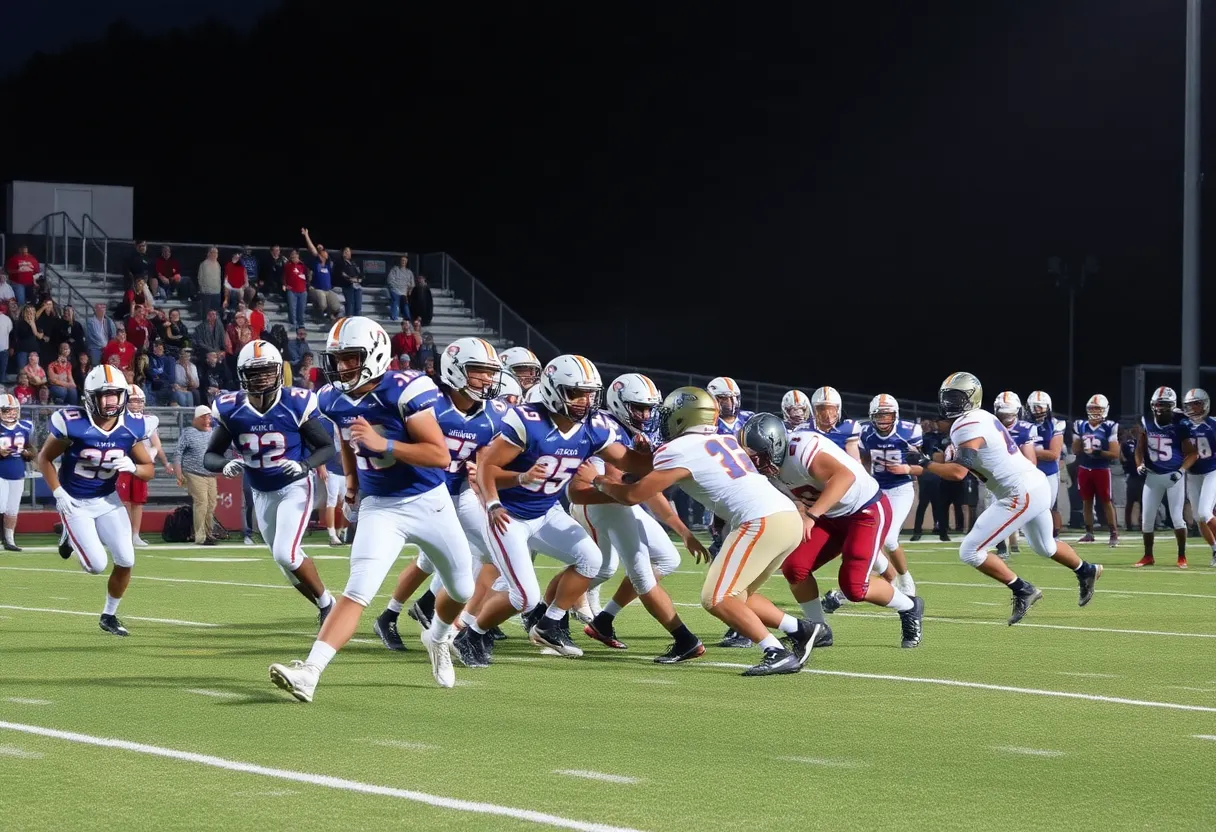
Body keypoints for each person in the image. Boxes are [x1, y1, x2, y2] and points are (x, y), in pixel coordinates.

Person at [268, 317, 475, 699]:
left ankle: (438, 638)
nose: (342, 366)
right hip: (381, 506)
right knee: (357, 590)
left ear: (376, 354)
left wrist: (387, 446)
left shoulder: (406, 389)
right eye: (338, 358)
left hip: (428, 501)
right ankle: (310, 672)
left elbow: (438, 453)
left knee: (462, 586)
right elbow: (348, 438)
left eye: (351, 357)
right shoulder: (332, 397)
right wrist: (351, 484)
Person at [583, 387, 808, 676]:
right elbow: (650, 468)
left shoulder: (677, 449)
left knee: (716, 598)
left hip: (761, 519)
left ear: (681, 418)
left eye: (667, 415)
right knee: (739, 596)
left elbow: (632, 495)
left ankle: (774, 650)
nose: (661, 420)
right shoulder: (724, 440)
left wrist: (600, 481)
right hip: (785, 517)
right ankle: (801, 630)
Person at [908, 372, 1102, 624]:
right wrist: (934, 454)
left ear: (972, 398)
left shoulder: (967, 424)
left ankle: (1023, 589)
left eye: (957, 397)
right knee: (1045, 547)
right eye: (948, 397)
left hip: (1019, 491)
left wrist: (924, 463)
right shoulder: (981, 417)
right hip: (1034, 484)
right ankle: (1086, 570)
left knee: (970, 551)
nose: (950, 403)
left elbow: (957, 472)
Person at [741, 412, 924, 648]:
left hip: (864, 510)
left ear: (775, 444)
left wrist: (812, 515)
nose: (756, 462)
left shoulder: (802, 449)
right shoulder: (771, 470)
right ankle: (818, 628)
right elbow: (795, 499)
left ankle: (910, 606)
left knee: (854, 587)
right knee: (795, 568)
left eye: (759, 455)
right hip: (829, 515)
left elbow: (844, 477)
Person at [373, 338, 509, 657]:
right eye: (479, 371)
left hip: (458, 489)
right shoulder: (431, 403)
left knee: (485, 552)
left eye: (491, 373)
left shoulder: (493, 413)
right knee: (432, 558)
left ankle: (414, 610)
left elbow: (483, 452)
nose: (487, 379)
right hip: (424, 489)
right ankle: (397, 615)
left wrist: (480, 465)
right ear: (455, 370)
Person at [568, 373, 708, 664]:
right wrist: (638, 481)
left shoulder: (635, 433)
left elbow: (646, 489)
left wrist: (682, 530)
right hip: (601, 504)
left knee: (668, 559)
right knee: (626, 571)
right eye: (638, 408)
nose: (645, 415)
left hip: (620, 501)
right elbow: (624, 488)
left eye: (648, 408)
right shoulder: (607, 428)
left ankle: (602, 620)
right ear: (619, 403)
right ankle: (685, 639)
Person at [205, 340, 338, 624]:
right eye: (255, 373)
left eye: (267, 371)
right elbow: (210, 456)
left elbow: (327, 447)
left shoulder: (294, 402)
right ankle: (326, 604)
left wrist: (304, 465)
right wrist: (226, 464)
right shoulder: (232, 409)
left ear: (278, 372)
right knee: (285, 565)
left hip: (295, 487)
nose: (262, 378)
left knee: (285, 553)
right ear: (243, 376)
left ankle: (329, 607)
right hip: (261, 492)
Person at [38, 366, 154, 636]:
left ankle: (109, 615)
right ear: (90, 397)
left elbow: (148, 468)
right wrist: (58, 493)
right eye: (104, 395)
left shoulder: (130, 426)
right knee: (95, 566)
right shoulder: (73, 423)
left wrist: (133, 468)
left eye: (115, 394)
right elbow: (44, 459)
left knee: (126, 558)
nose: (110, 401)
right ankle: (68, 532)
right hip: (75, 501)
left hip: (108, 499)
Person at [705, 375, 757, 646]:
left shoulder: (750, 420)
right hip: (720, 499)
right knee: (723, 559)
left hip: (746, 498)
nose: (729, 403)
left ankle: (744, 626)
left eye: (732, 397)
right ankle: (740, 623)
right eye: (723, 398)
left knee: (732, 563)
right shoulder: (706, 424)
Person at [1133, 387, 1195, 568]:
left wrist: (1181, 471)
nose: (1160, 408)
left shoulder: (1181, 423)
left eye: (1165, 405)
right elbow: (1139, 448)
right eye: (1158, 404)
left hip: (1173, 475)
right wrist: (1139, 464)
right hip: (1152, 475)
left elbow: (1192, 453)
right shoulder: (1146, 421)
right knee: (1147, 518)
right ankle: (1148, 556)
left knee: (1177, 517)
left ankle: (1182, 556)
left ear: (1173, 406)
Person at [119, 386, 172, 547]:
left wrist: (154, 453)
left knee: (138, 501)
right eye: (133, 400)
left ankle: (135, 534)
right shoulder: (119, 419)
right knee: (123, 501)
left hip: (142, 463)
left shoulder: (149, 420)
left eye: (139, 400)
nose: (137, 404)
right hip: (124, 462)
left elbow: (156, 443)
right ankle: (124, 534)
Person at [1072, 394, 1121, 546]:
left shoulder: (1110, 426)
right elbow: (1075, 450)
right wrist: (1079, 439)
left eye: (1098, 409)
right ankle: (1089, 532)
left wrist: (1098, 452)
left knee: (1106, 501)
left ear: (1105, 410)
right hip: (1085, 468)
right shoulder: (1080, 425)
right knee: (1086, 501)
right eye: (1092, 408)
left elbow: (1115, 454)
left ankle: (1113, 533)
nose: (1094, 411)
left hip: (1101, 468)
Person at [1181, 389, 1216, 567]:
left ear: (1205, 405)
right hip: (1193, 474)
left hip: (1212, 471)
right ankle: (1215, 549)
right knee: (1198, 517)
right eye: (1190, 405)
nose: (1193, 408)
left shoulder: (1213, 424)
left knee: (1204, 512)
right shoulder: (1183, 425)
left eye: (1197, 404)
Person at [176, 405, 219, 545]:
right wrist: (178, 473)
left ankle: (208, 533)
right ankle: (200, 537)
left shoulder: (213, 432)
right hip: (194, 472)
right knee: (201, 502)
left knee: (212, 504)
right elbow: (178, 453)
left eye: (209, 416)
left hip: (210, 473)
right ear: (199, 417)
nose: (209, 418)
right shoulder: (188, 432)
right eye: (206, 416)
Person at [1026, 390, 1066, 538]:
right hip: (1028, 471)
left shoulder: (1056, 424)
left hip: (1048, 472)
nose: (1038, 410)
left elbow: (1053, 454)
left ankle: (1051, 535)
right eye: (1035, 407)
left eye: (1041, 406)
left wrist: (1027, 451)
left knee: (1047, 506)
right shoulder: (1023, 424)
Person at [0, 394, 35, 551]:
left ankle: (9, 540)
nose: (11, 413)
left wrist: (29, 453)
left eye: (13, 410)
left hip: (17, 472)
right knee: (0, 506)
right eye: (7, 410)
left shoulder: (25, 427)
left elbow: (31, 448)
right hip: (1, 472)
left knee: (12, 509)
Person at [386, 255, 414, 321]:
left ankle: (408, 318)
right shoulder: (395, 269)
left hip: (405, 292)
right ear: (400, 261)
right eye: (402, 260)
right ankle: (394, 317)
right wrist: (397, 287)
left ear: (406, 262)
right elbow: (390, 280)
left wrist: (409, 291)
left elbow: (412, 284)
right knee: (395, 300)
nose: (403, 262)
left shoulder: (409, 272)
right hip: (395, 290)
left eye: (405, 261)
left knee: (405, 303)